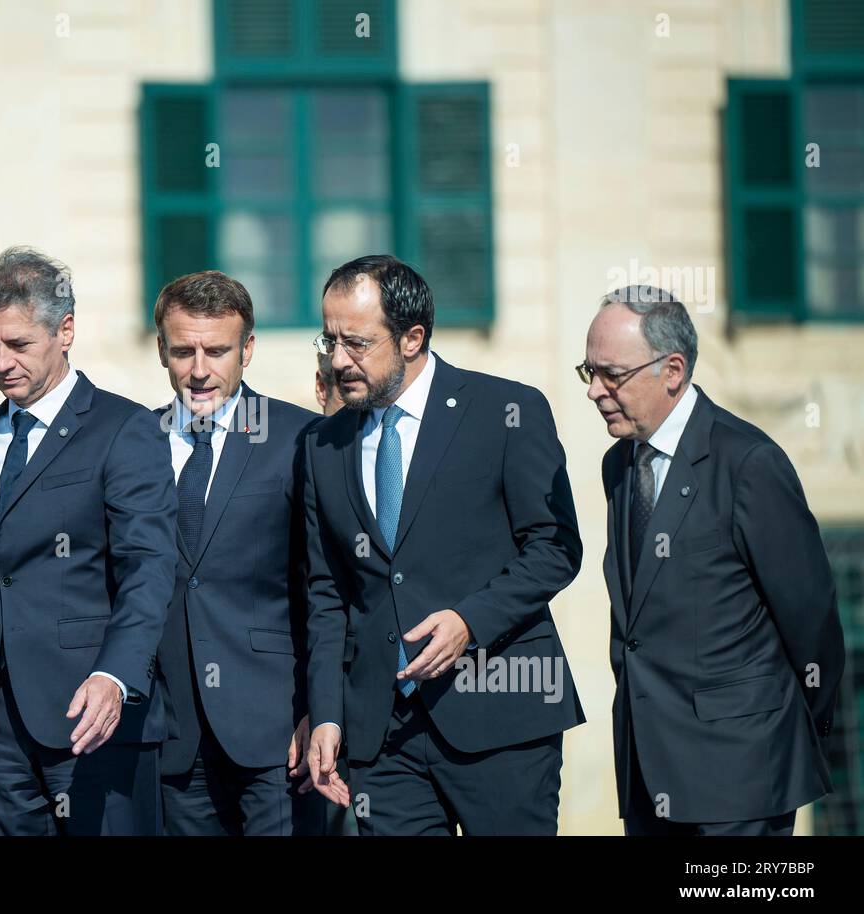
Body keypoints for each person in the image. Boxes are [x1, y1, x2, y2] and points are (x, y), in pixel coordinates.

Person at [0, 247, 177, 835]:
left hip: (98, 718)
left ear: (65, 331)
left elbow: (148, 569)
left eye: (18, 344)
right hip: (3, 729)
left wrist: (116, 676)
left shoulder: (124, 429)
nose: (1, 362)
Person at [304, 254, 584, 835]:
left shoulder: (507, 412)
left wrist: (469, 622)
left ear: (412, 338)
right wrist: (328, 714)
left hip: (501, 719)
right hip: (382, 740)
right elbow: (328, 591)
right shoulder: (321, 445)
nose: (337, 360)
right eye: (329, 340)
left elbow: (555, 545)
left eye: (355, 342)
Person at [582, 285, 844, 835]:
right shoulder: (619, 466)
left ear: (672, 370)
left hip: (741, 775)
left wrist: (789, 730)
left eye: (612, 374)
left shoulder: (748, 462)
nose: (596, 392)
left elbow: (811, 617)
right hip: (649, 775)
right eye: (589, 373)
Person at [151, 270, 325, 835]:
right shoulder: (133, 442)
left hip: (277, 735)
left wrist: (318, 710)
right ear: (161, 350)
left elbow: (323, 587)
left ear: (247, 349)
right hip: (170, 736)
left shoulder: (300, 439)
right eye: (183, 351)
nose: (199, 370)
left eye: (217, 350)